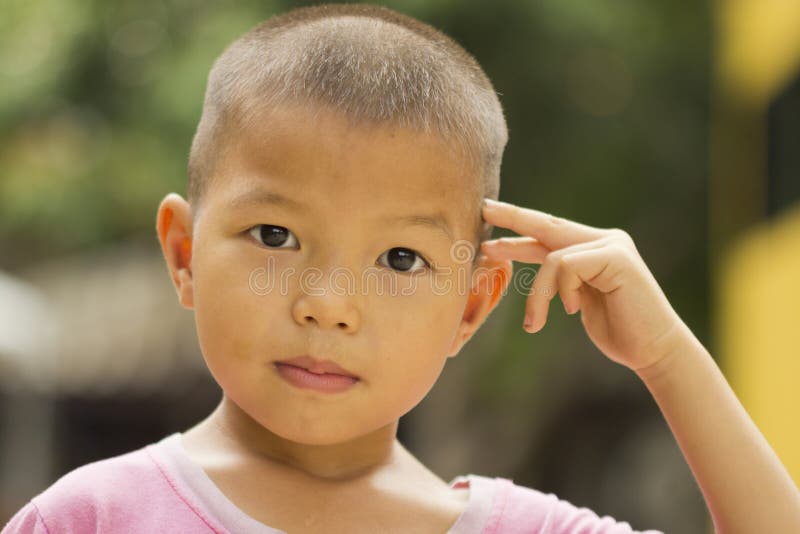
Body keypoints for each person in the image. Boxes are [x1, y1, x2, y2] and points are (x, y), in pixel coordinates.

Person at [4, 3, 800, 533]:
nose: (328, 305)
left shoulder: (524, 530)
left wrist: (666, 358)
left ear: (472, 305)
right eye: (276, 236)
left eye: (400, 258)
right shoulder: (94, 516)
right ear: (182, 252)